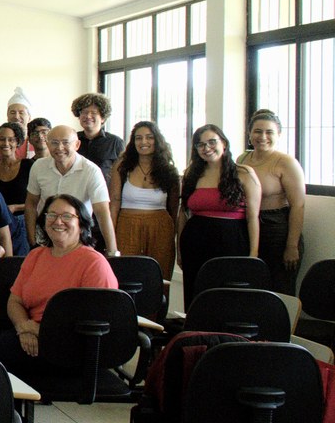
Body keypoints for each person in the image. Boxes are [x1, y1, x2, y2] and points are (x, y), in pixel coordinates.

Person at [0, 195, 119, 379]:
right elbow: (15, 301)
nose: (58, 221)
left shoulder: (94, 262)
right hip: (31, 336)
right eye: (51, 215)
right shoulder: (36, 255)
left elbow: (96, 320)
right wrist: (23, 329)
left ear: (82, 224)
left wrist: (39, 330)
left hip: (70, 346)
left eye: (67, 216)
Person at [178, 124, 261, 305]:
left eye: (212, 142)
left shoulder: (244, 173)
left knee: (226, 296)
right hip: (194, 243)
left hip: (231, 242)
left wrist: (253, 254)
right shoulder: (191, 174)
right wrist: (179, 250)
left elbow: (252, 217)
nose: (206, 148)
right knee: (196, 295)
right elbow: (183, 214)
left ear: (223, 142)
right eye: (200, 145)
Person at [237, 109, 306, 295]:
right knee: (252, 286)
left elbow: (298, 205)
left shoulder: (285, 162)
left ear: (279, 135)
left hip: (277, 230)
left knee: (279, 289)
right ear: (250, 133)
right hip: (248, 227)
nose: (263, 137)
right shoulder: (242, 159)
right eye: (258, 131)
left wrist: (291, 246)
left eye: (269, 132)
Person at [25, 125, 118, 256]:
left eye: (65, 142)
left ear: (77, 144)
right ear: (47, 144)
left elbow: (102, 213)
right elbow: (31, 204)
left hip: (78, 239)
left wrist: (113, 252)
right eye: (54, 143)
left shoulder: (91, 171)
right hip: (46, 237)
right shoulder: (38, 167)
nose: (59, 148)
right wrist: (32, 241)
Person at [109, 121, 180, 284]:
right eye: (138, 138)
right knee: (127, 275)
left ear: (157, 140)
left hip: (160, 227)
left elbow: (174, 209)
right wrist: (111, 236)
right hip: (127, 226)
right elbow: (114, 202)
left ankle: (157, 310)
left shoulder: (169, 171)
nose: (143, 142)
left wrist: (172, 236)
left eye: (149, 137)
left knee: (158, 277)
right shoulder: (122, 166)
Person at [0, 122, 33, 256]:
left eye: (11, 139)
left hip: (22, 224)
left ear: (18, 142)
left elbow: (41, 200)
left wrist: (15, 208)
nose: (6, 143)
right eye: (2, 139)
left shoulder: (29, 166)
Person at [72, 92, 124, 183]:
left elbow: (123, 171)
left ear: (103, 118)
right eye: (84, 112)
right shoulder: (72, 139)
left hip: (104, 193)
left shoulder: (115, 142)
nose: (88, 116)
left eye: (93, 113)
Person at [0, 87, 35, 164]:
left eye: (21, 113)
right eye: (13, 112)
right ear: (7, 116)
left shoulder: (35, 142)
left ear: (29, 117)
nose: (16, 117)